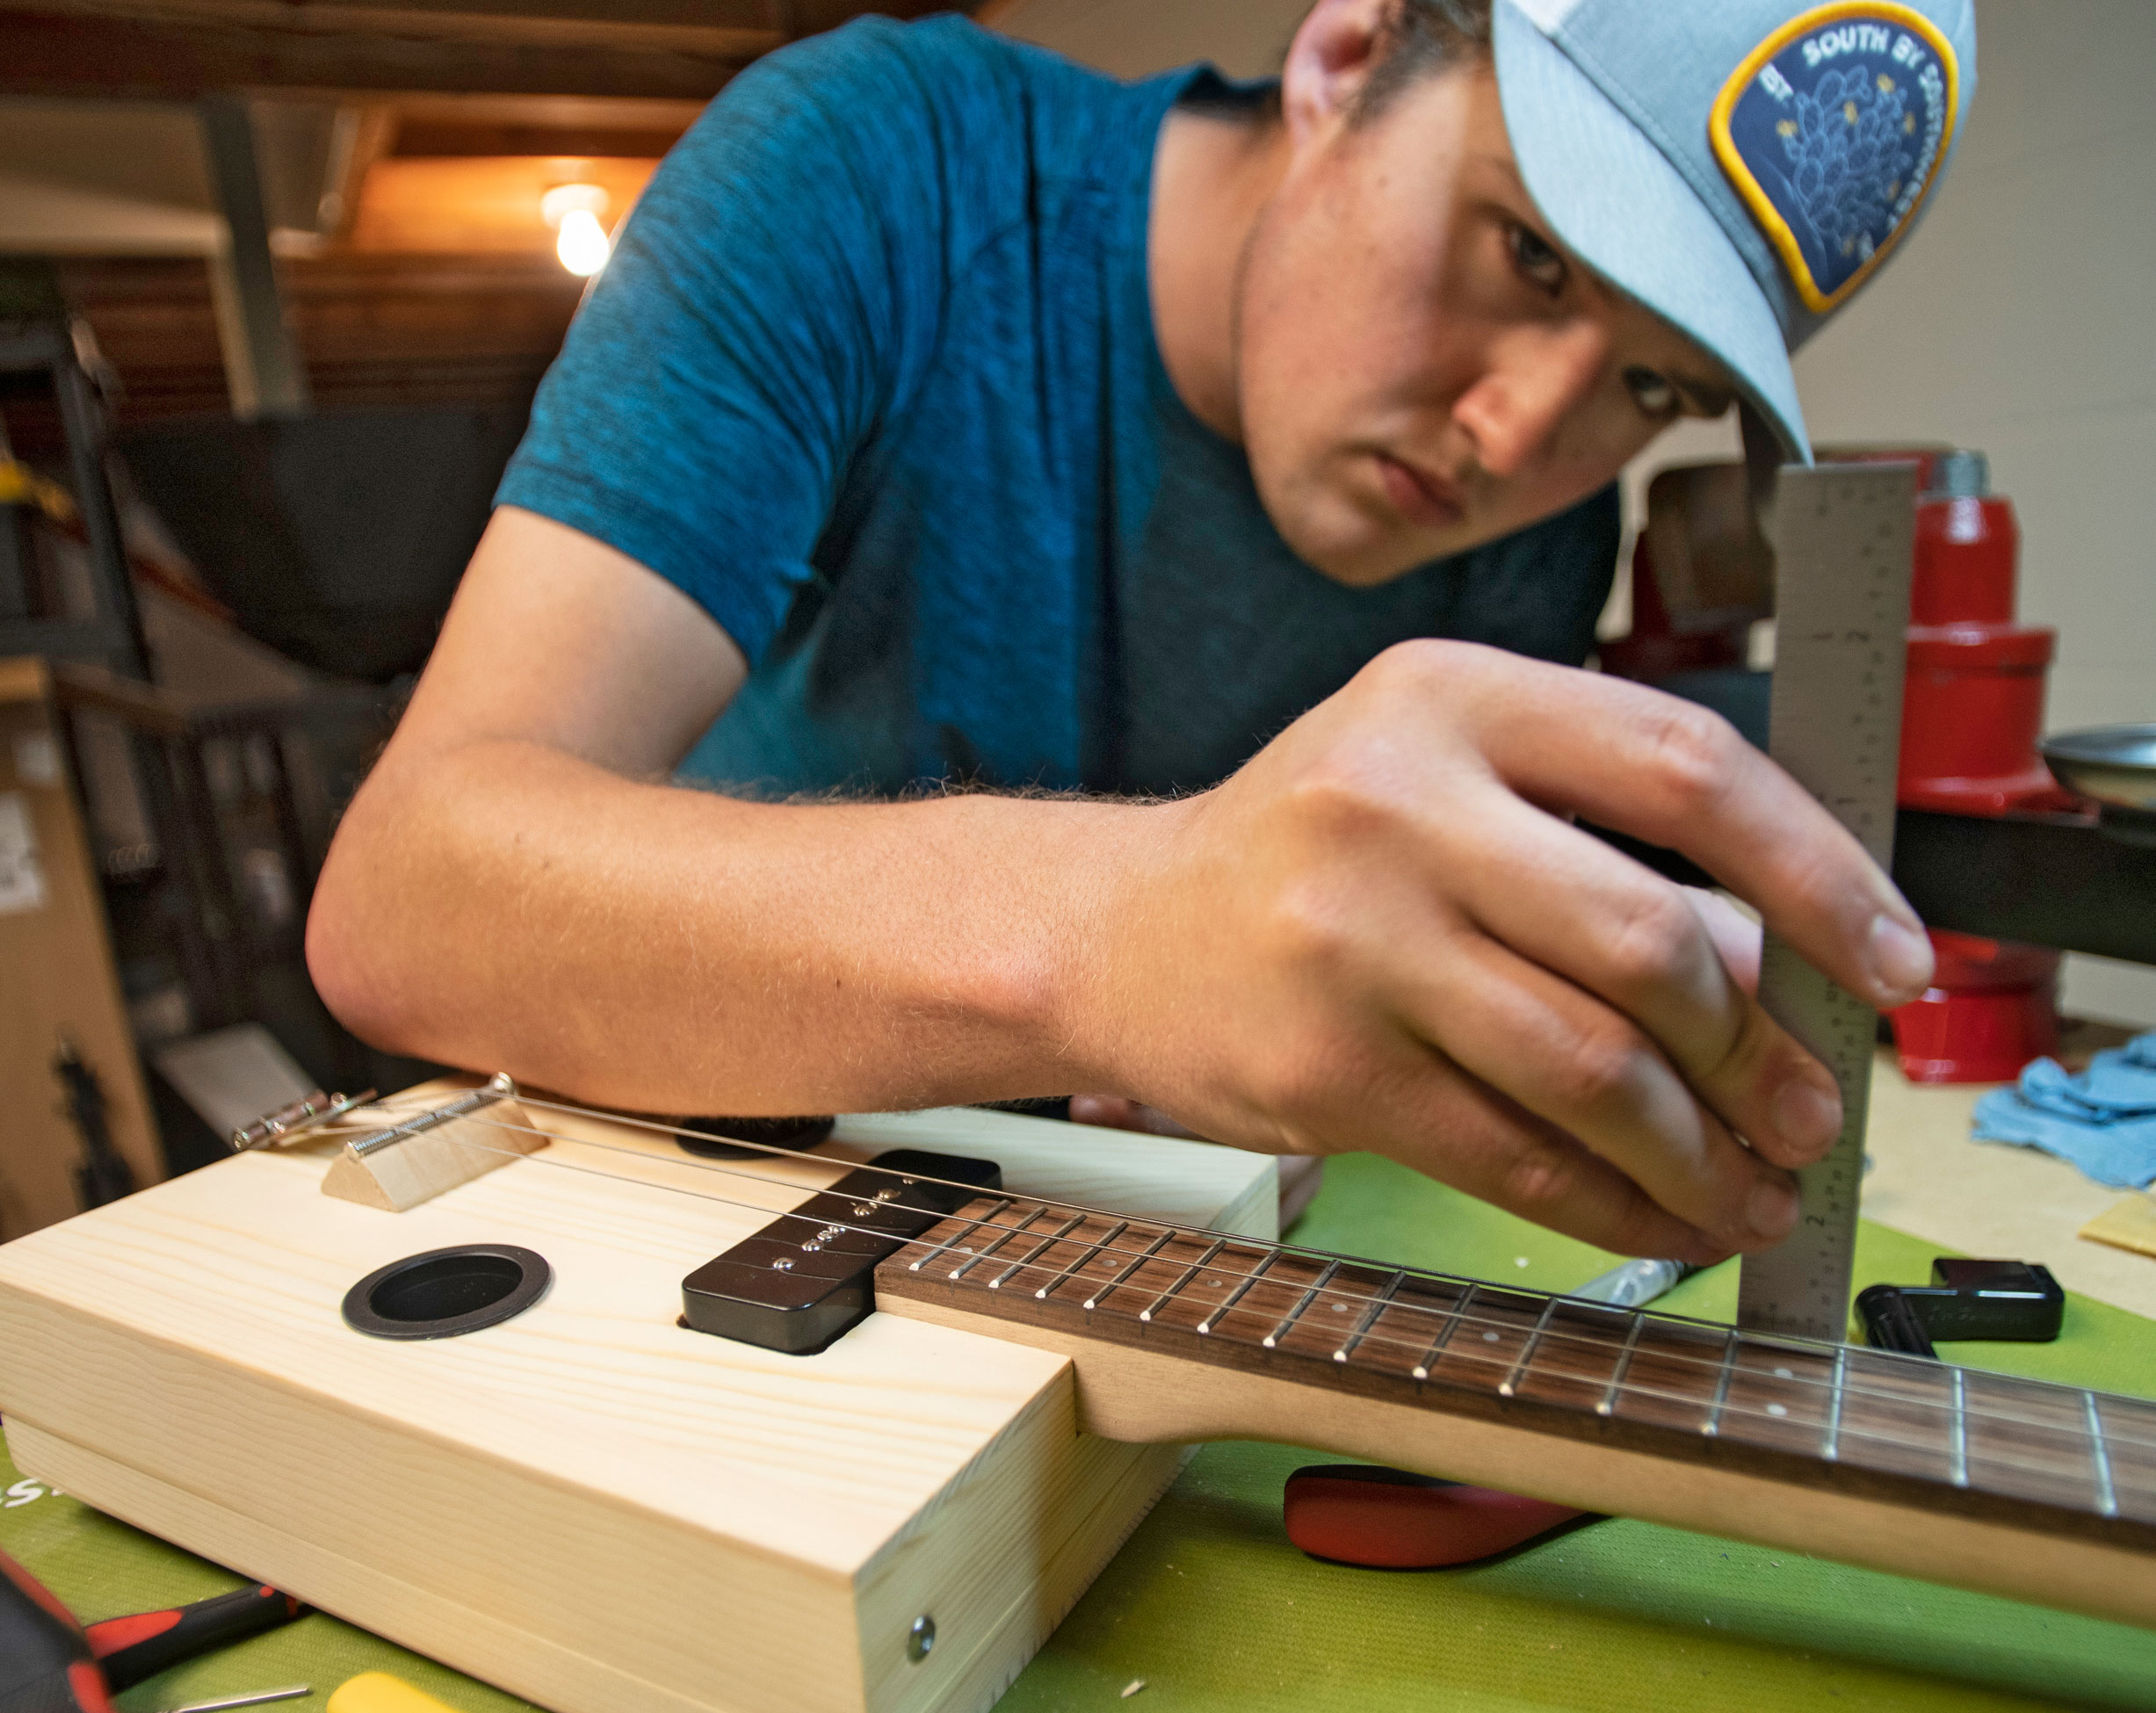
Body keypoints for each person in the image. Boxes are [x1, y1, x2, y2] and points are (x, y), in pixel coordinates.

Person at [307, 0, 1974, 1265]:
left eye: (1651, 385)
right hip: (696, 1219)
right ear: (1345, 56)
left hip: (1117, 1279)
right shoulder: (875, 171)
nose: (1519, 435)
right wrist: (1119, 947)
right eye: (1528, 255)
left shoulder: (1535, 542)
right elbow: (406, 900)